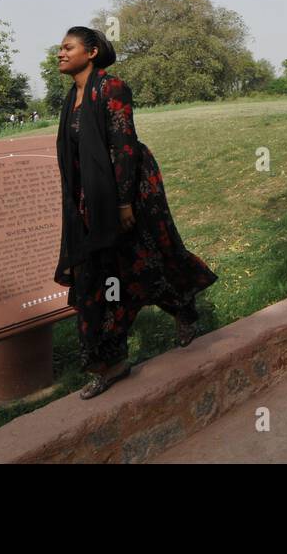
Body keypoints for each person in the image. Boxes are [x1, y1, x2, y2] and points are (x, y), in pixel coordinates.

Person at [53, 26, 219, 398]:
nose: (60, 53)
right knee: (97, 273)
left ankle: (182, 307)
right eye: (60, 48)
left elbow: (124, 145)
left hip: (131, 192)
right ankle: (110, 363)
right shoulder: (71, 98)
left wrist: (124, 202)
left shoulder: (111, 88)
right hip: (92, 201)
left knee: (149, 258)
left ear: (92, 52)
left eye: (68, 47)